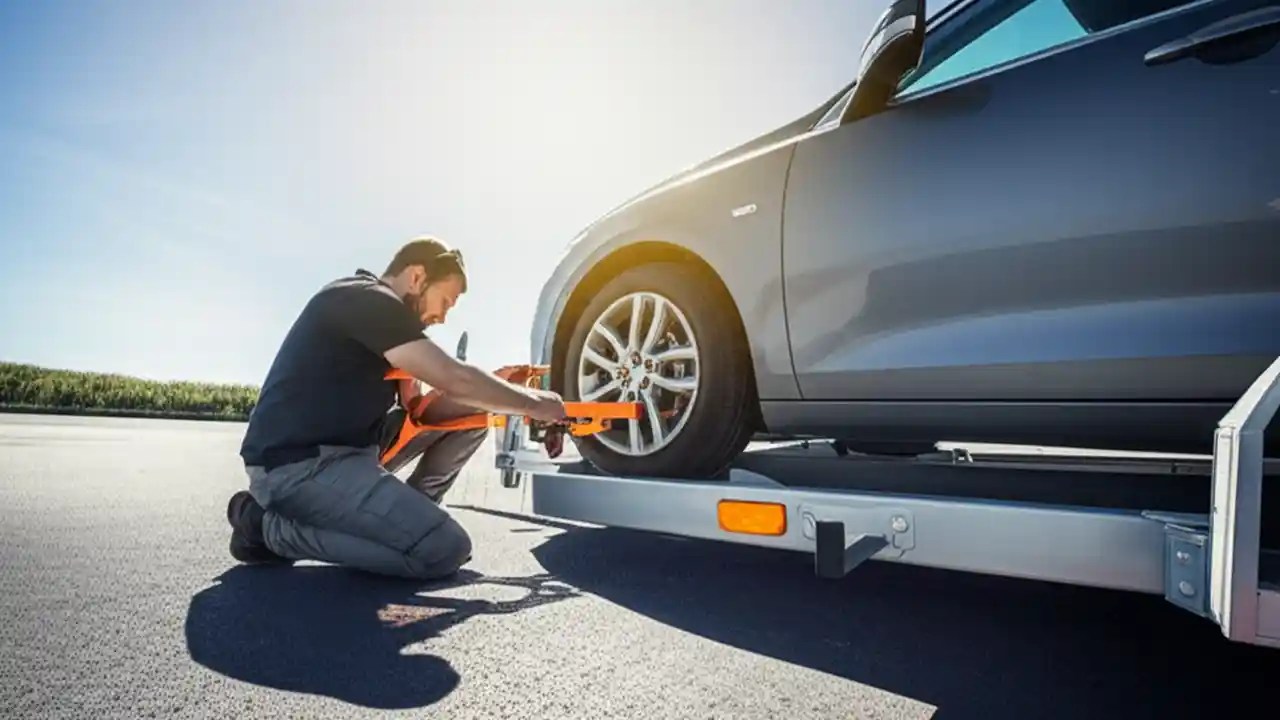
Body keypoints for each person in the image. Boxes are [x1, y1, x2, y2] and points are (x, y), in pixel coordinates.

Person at [227, 236, 566, 580]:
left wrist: (503, 392)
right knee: (445, 550)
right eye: (445, 301)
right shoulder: (365, 299)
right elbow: (456, 379)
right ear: (417, 277)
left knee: (473, 416)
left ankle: (415, 515)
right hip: (296, 468)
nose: (443, 317)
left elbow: (422, 410)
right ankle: (269, 530)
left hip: (351, 453)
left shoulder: (386, 325)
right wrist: (538, 404)